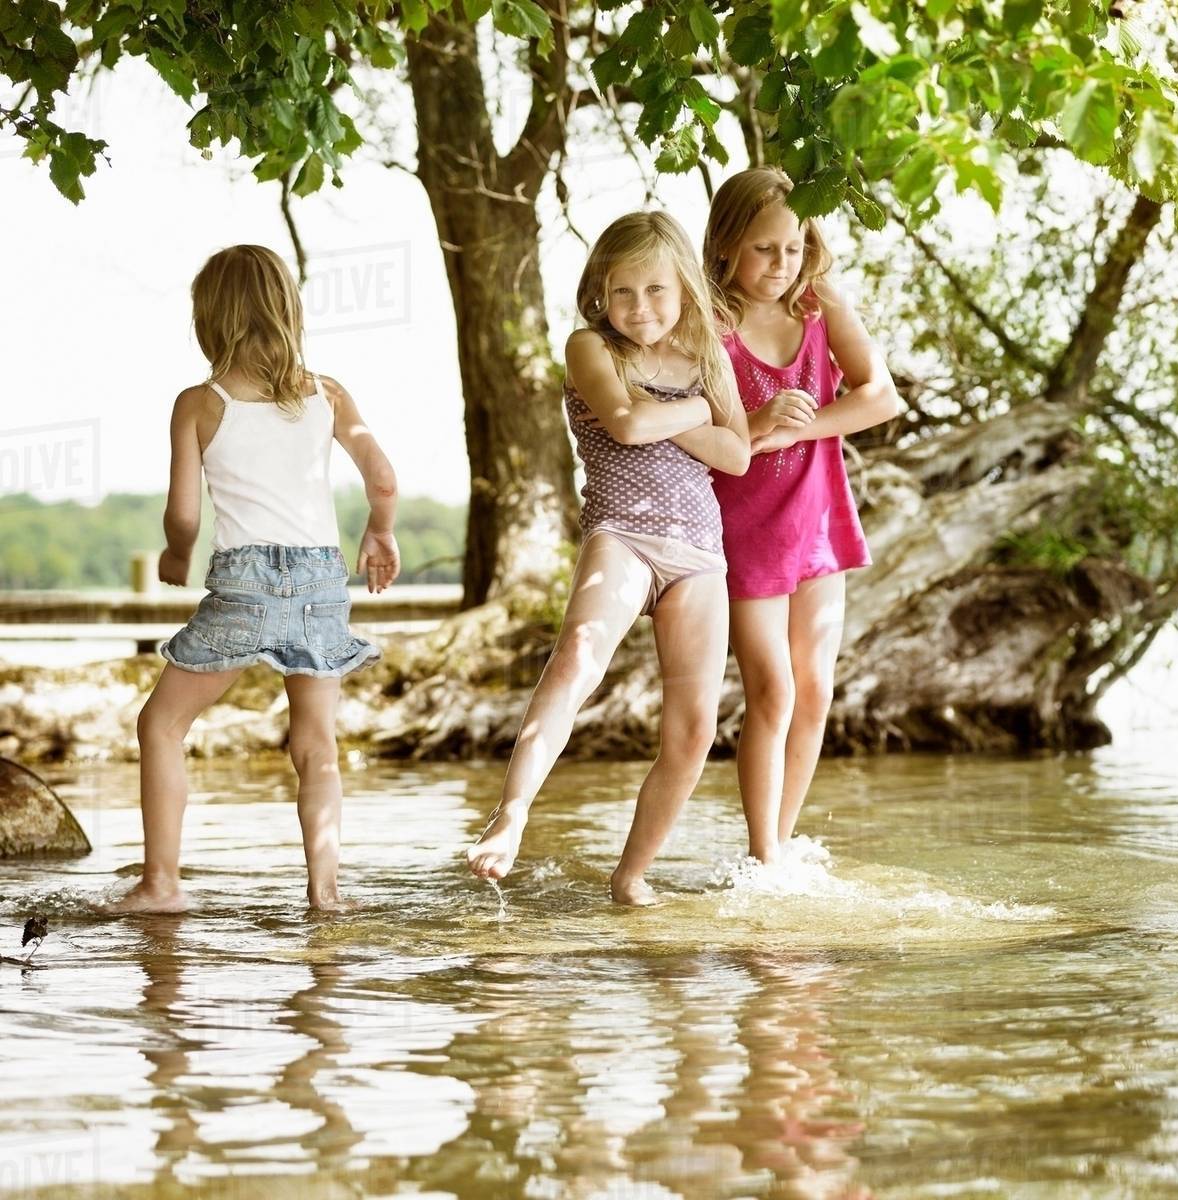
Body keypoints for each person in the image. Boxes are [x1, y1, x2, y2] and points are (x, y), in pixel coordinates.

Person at [104, 244, 400, 914]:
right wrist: (379, 531)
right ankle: (326, 892)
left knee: (161, 725)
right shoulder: (327, 394)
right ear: (287, 309)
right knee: (316, 743)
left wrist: (175, 558)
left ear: (209, 319)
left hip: (245, 583)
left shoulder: (199, 403)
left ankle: (161, 886)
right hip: (323, 581)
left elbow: (184, 514)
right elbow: (381, 477)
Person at [467, 211, 750, 904]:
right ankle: (511, 815)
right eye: (623, 293)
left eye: (656, 291)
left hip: (699, 553)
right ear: (599, 291)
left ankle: (631, 876)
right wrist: (696, 415)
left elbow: (739, 455)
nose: (640, 308)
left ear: (684, 288)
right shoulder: (589, 347)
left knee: (695, 727)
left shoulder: (708, 356)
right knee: (577, 660)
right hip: (621, 536)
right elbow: (625, 425)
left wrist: (673, 413)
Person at [703, 167, 901, 865]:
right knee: (771, 687)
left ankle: (778, 845)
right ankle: (761, 856)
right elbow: (702, 436)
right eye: (763, 249)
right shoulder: (708, 324)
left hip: (817, 519)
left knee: (814, 688)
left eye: (792, 248)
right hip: (745, 528)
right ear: (726, 246)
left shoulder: (819, 306)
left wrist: (802, 427)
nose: (781, 264)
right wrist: (758, 426)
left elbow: (882, 398)